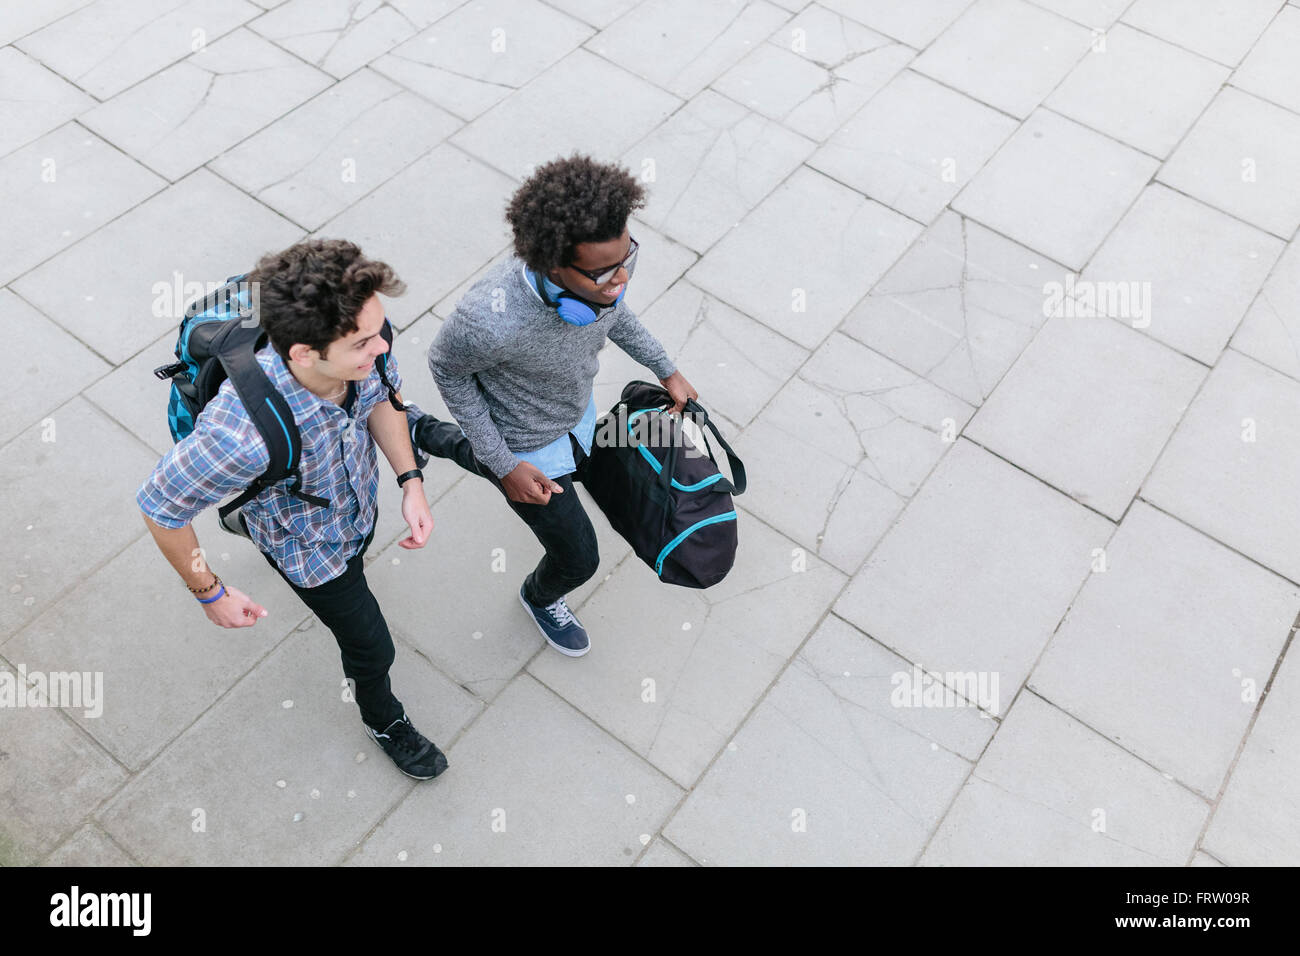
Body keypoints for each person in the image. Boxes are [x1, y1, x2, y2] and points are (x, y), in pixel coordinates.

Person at [136, 239, 448, 780]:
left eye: (381, 331)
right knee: (371, 647)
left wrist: (410, 480)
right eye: (362, 343)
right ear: (303, 353)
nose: (382, 348)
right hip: (309, 547)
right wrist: (209, 592)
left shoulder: (364, 343)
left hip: (353, 504)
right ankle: (384, 719)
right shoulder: (240, 435)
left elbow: (381, 399)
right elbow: (161, 508)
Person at [406, 155, 697, 657]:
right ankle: (540, 598)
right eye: (605, 273)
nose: (621, 280)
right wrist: (505, 465)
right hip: (524, 447)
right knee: (579, 558)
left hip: (575, 419)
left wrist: (663, 367)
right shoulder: (489, 321)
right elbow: (448, 371)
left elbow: (615, 314)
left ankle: (416, 429)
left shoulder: (604, 283)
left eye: (628, 258)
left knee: (560, 466)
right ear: (553, 265)